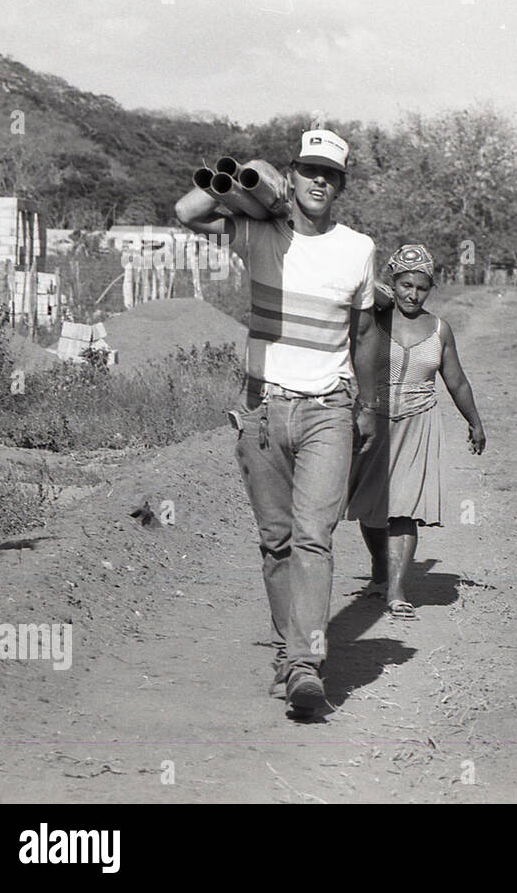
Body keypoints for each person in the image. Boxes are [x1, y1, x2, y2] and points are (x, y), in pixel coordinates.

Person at [174, 129, 380, 717]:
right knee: (277, 542)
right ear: (295, 174)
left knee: (315, 537)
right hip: (264, 411)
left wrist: (366, 406)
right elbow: (187, 211)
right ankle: (290, 653)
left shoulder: (357, 248)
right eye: (309, 170)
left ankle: (305, 665)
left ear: (341, 185)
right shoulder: (260, 234)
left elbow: (364, 333)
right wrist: (254, 178)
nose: (320, 181)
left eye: (331, 174)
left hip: (328, 411)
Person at [346, 244, 486, 620]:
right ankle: (379, 562)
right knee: (371, 506)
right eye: (405, 285)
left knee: (404, 510)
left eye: (421, 288)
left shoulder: (440, 330)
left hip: (418, 422)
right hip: (374, 421)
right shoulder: (374, 319)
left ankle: (395, 589)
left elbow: (456, 381)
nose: (413, 294)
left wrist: (474, 421)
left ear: (430, 289)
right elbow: (356, 286)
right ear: (394, 284)